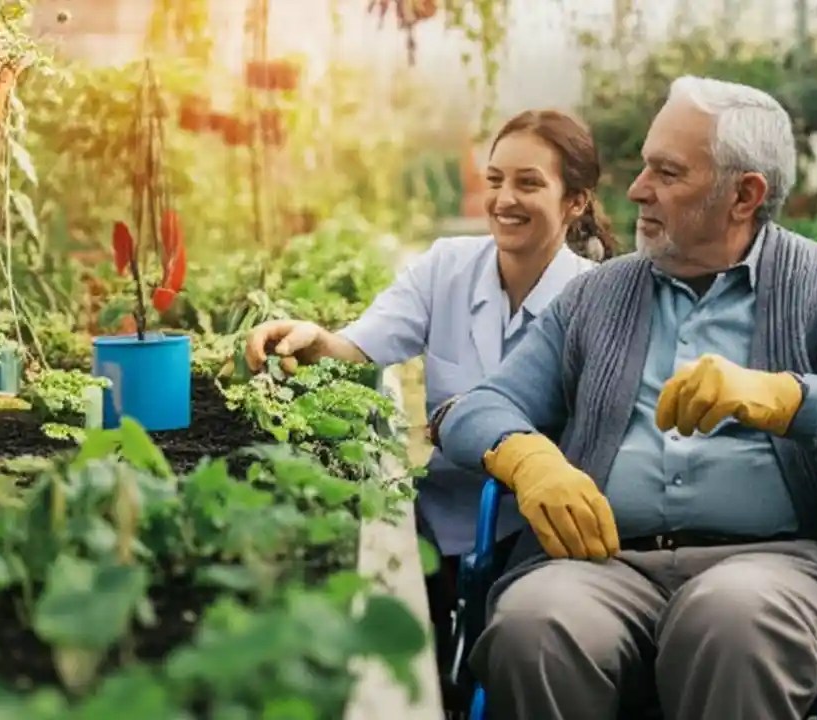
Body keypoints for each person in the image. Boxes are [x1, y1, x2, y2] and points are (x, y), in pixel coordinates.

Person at [432, 76, 817, 720]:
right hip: (602, 564)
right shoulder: (597, 297)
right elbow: (478, 408)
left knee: (731, 621)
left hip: (769, 567)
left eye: (667, 172)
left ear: (744, 195)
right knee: (532, 626)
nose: (635, 189)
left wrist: (785, 397)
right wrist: (525, 458)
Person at [243, 109, 617, 688]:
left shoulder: (596, 298)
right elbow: (358, 347)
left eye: (528, 183)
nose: (504, 199)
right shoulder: (448, 266)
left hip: (537, 538)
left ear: (575, 202)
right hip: (441, 522)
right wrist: (310, 339)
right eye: (495, 180)